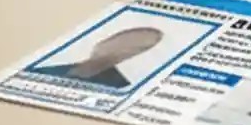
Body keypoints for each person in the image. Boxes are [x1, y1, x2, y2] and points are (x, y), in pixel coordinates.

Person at [32, 27, 164, 88]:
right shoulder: (46, 68)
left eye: (133, 47)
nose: (122, 49)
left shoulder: (118, 86)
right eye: (120, 41)